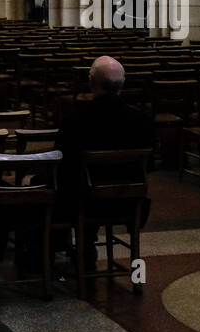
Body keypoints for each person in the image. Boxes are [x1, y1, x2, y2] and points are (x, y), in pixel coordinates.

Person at [57, 55, 154, 266]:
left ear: (91, 83)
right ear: (122, 85)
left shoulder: (75, 120)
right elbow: (151, 165)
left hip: (85, 202)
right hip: (128, 202)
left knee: (65, 183)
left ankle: (74, 246)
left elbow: (62, 163)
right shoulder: (142, 121)